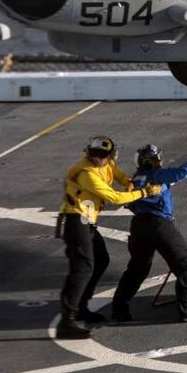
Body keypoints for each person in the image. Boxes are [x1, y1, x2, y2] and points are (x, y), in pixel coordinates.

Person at [56, 135, 161, 339]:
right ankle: (67, 320)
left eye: (103, 155)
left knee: (101, 260)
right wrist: (143, 192)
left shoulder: (107, 164)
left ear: (110, 155)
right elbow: (113, 197)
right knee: (82, 268)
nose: (98, 158)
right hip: (75, 220)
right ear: (89, 153)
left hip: (87, 220)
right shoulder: (88, 174)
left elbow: (118, 174)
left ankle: (81, 307)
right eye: (94, 154)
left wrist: (128, 181)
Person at [112, 141, 187, 323]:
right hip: (160, 225)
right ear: (156, 160)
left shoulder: (135, 179)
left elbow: (132, 203)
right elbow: (182, 172)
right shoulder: (159, 175)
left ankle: (119, 309)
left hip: (138, 226)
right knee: (185, 266)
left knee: (137, 269)